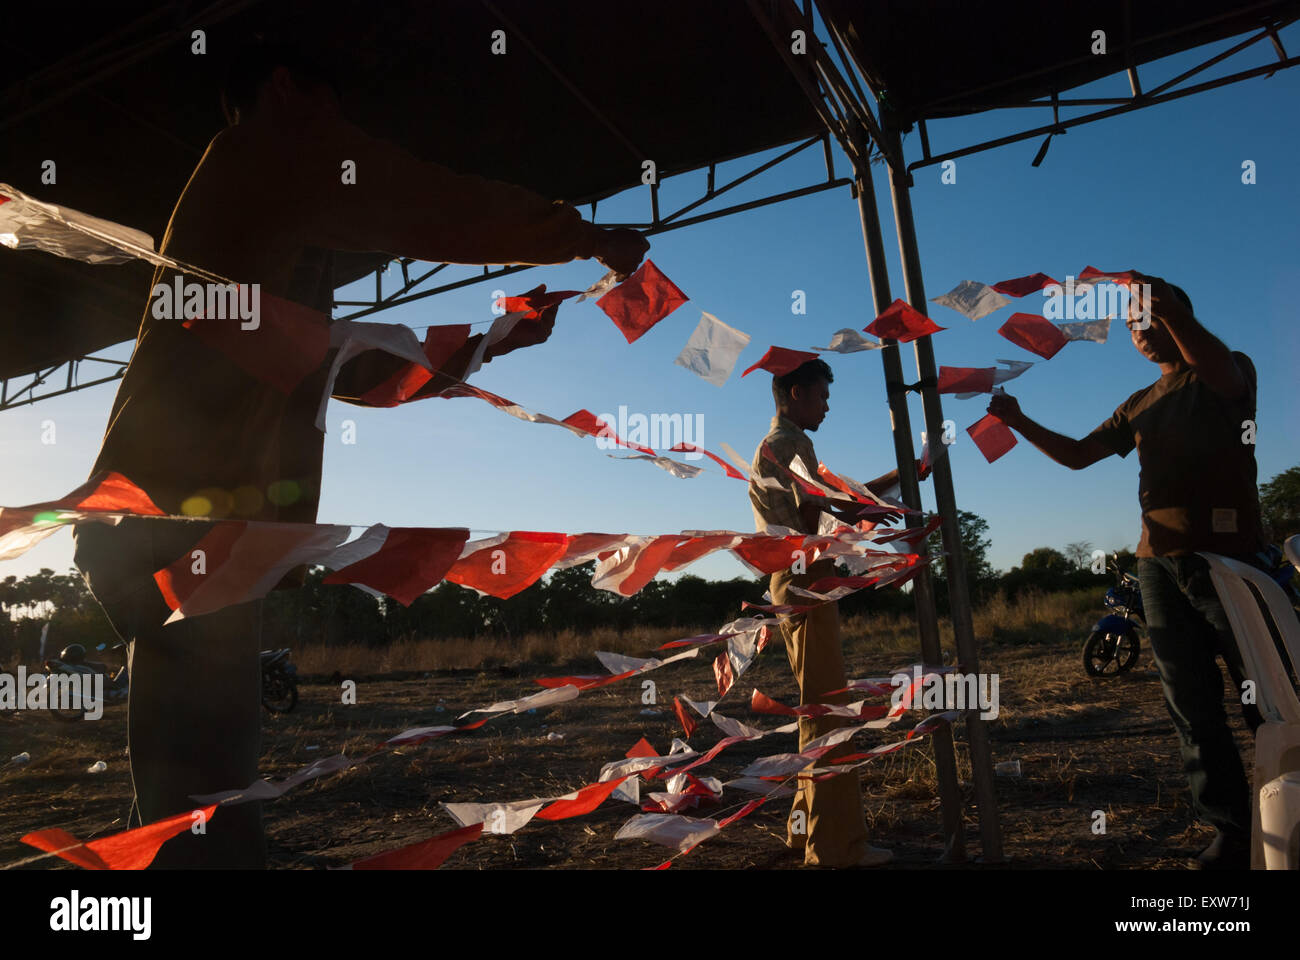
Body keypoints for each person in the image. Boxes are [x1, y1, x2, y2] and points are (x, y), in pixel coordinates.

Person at [72, 39, 648, 868]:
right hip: (184, 511)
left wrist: (496, 338)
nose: (346, 135)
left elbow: (350, 367)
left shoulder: (262, 231)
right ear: (281, 87)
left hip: (192, 514)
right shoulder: (264, 154)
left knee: (191, 770)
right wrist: (579, 233)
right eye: (334, 107)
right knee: (201, 782)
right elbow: (429, 201)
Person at [988, 273, 1266, 869]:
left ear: (1178, 317)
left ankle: (1287, 807)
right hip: (1157, 568)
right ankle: (1235, 832)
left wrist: (1168, 309)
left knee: (1264, 695)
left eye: (1152, 318)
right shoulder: (1139, 404)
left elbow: (1222, 372)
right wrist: (1017, 419)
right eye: (1135, 324)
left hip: (1231, 559)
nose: (1141, 330)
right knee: (1191, 706)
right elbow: (1079, 456)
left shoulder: (1226, 370)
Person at [749, 357, 905, 868]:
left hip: (795, 582)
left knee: (815, 707)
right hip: (806, 583)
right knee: (828, 711)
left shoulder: (786, 443)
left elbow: (830, 508)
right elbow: (827, 514)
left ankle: (806, 829)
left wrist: (883, 489)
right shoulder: (790, 444)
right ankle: (836, 848)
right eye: (820, 396)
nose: (828, 405)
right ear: (795, 394)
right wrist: (894, 486)